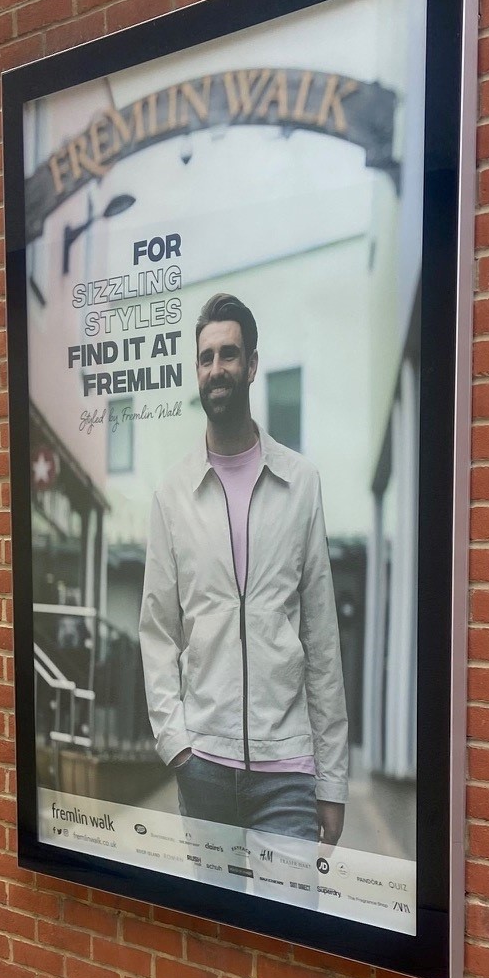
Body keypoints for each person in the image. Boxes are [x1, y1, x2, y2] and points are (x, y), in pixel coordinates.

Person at [139, 292, 348, 844]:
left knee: (289, 928)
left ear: (251, 365)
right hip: (202, 766)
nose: (216, 370)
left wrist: (332, 782)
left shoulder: (300, 483)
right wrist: (175, 744)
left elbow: (320, 637)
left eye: (228, 355)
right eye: (206, 359)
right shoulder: (172, 494)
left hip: (288, 774)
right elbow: (157, 630)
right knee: (209, 933)